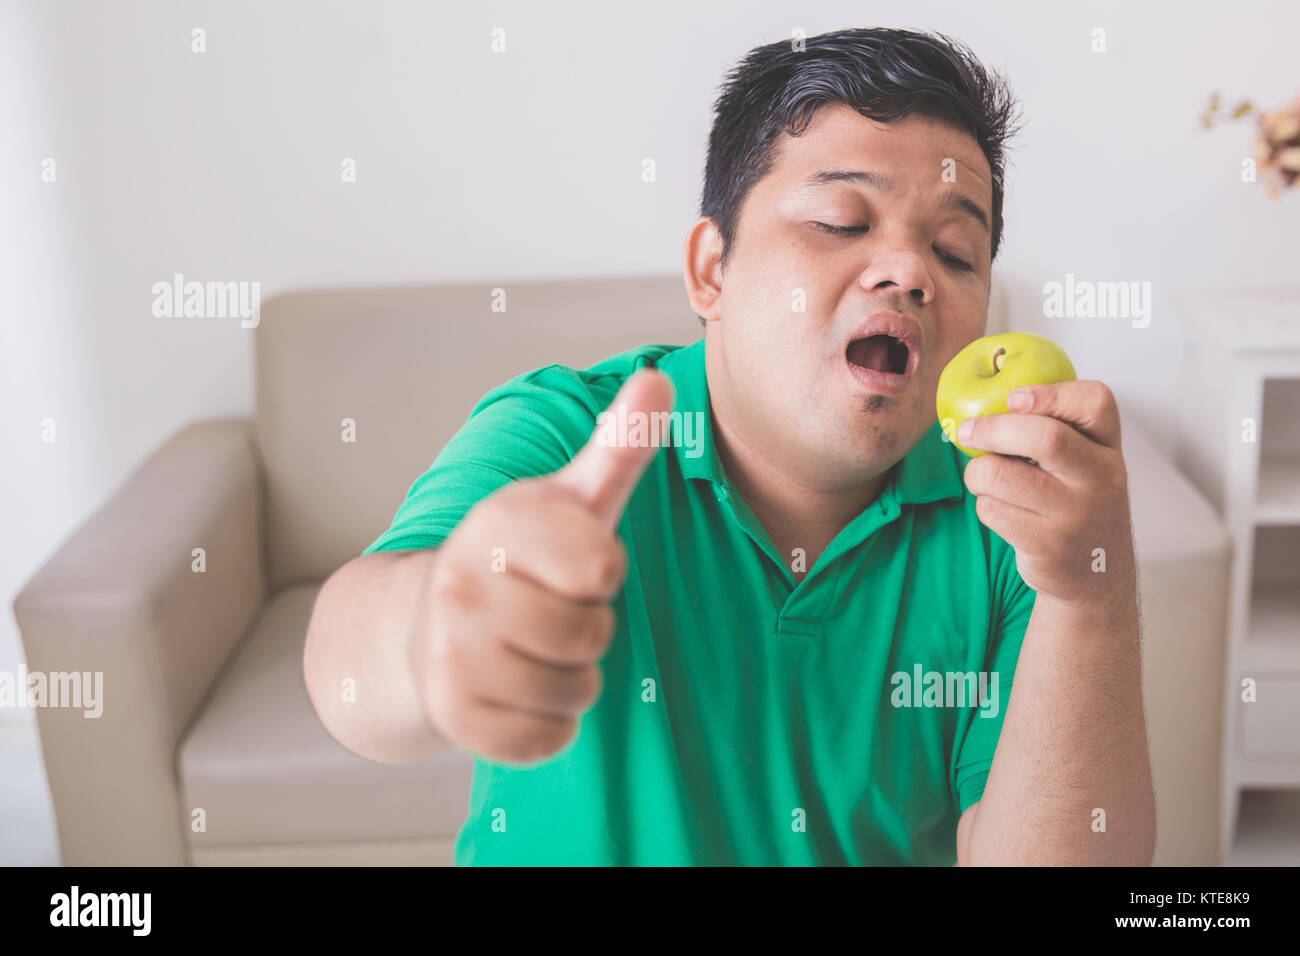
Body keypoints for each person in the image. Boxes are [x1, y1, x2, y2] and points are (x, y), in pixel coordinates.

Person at [304, 26, 1155, 866]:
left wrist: (1091, 599)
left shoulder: (1012, 515)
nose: (908, 270)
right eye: (838, 221)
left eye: (955, 251)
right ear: (712, 271)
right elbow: (351, 682)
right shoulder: (570, 432)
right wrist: (437, 630)